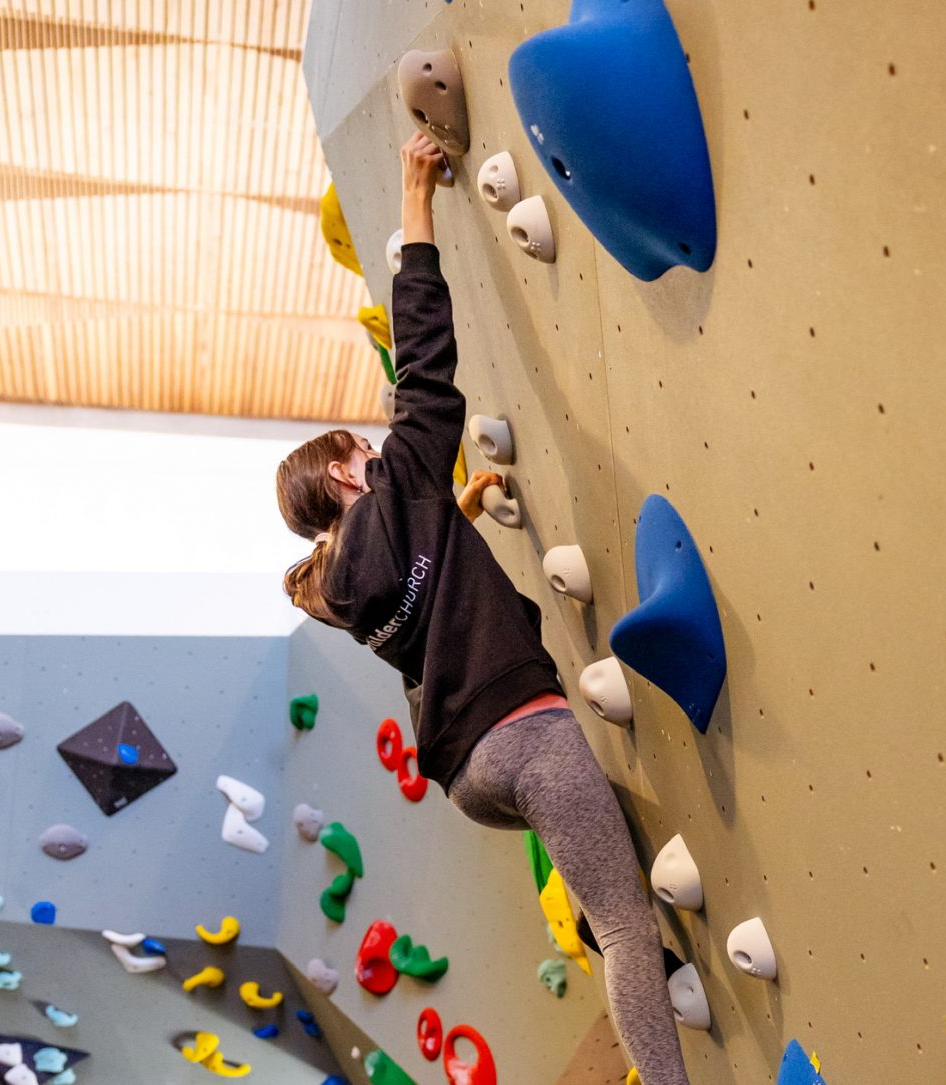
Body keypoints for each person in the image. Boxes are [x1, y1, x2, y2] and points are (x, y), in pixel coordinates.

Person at [275, 131, 692, 1085]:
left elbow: (424, 603)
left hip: (469, 775)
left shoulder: (342, 584)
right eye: (356, 451)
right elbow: (424, 352)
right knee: (626, 923)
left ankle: (641, 981)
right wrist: (416, 199)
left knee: (600, 889)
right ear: (346, 471)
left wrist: (456, 509)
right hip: (526, 735)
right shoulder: (399, 481)